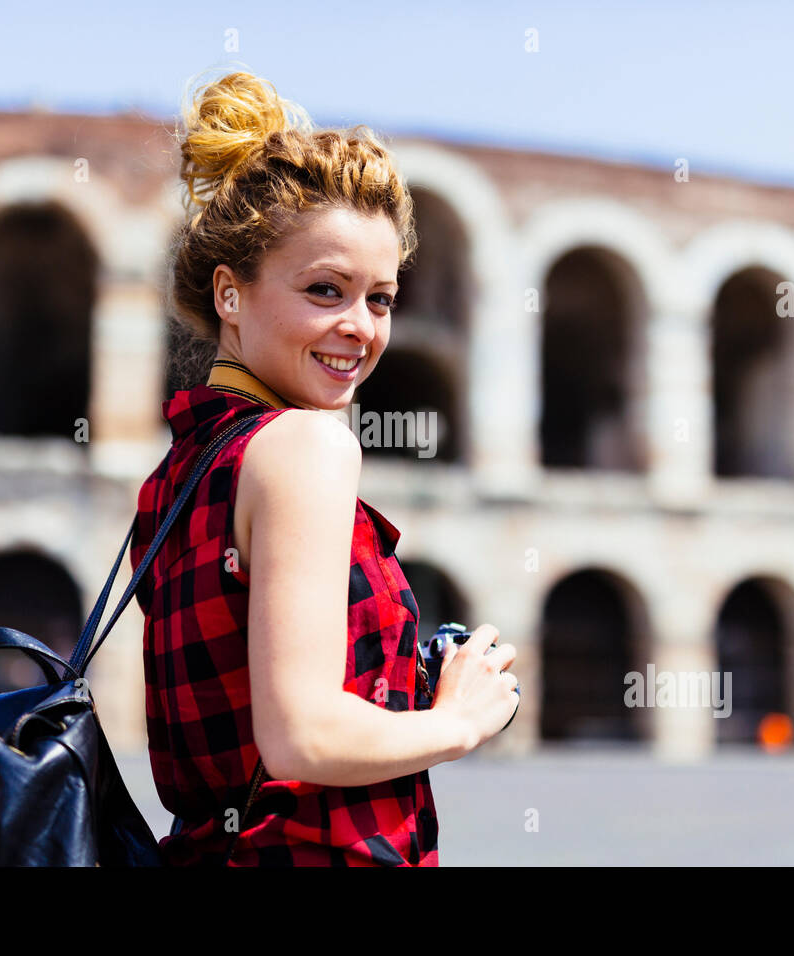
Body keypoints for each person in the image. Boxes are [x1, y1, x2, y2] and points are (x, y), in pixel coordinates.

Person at [131, 71, 519, 866]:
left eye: (380, 299)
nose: (360, 329)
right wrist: (458, 718)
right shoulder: (305, 448)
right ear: (230, 295)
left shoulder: (176, 478)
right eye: (324, 290)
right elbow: (301, 736)